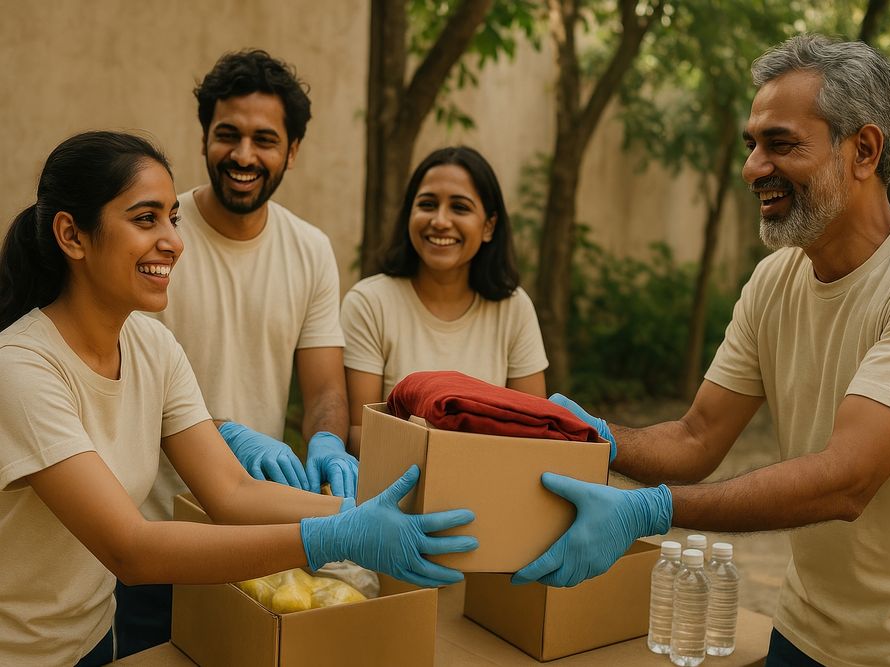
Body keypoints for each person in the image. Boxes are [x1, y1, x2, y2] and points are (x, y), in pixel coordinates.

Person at [512, 34, 890, 667]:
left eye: (781, 144)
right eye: (751, 145)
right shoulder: (776, 281)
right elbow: (695, 439)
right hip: (802, 631)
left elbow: (846, 482)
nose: (752, 169)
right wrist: (593, 438)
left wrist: (650, 510)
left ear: (864, 150)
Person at [0, 131, 477, 666]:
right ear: (72, 234)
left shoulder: (151, 345)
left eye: (172, 219)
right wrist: (331, 537)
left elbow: (229, 489)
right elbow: (130, 549)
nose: (174, 241)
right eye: (144, 219)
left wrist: (357, 510)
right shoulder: (20, 369)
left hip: (92, 644)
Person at [116, 49, 357, 654]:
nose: (244, 155)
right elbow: (123, 385)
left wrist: (327, 439)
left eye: (264, 139)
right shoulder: (157, 241)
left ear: (292, 151)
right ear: (204, 139)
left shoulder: (310, 250)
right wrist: (226, 434)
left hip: (255, 536)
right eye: (228, 134)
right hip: (150, 528)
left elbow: (326, 388)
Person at [341, 146, 548, 452]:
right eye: (427, 204)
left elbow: (535, 430)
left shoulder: (514, 308)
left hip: (492, 484)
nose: (440, 221)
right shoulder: (369, 303)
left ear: (489, 226)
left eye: (460, 208)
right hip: (393, 490)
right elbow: (358, 431)